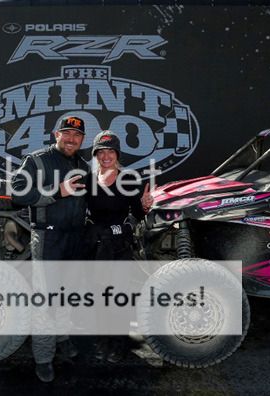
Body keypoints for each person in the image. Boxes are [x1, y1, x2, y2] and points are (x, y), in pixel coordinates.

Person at [11, 116, 89, 383]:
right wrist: (57, 191)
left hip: (74, 239)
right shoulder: (37, 160)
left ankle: (62, 338)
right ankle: (43, 358)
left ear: (82, 139)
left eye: (77, 135)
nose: (71, 139)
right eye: (66, 133)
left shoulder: (82, 164)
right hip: (48, 238)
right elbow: (17, 194)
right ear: (56, 134)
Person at [84, 130, 153, 362]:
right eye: (101, 152)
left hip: (120, 246)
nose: (106, 156)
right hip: (96, 247)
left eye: (110, 152)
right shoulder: (88, 180)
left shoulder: (129, 179)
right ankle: (102, 341)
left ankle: (119, 343)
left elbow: (138, 214)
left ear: (117, 154)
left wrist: (144, 206)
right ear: (95, 155)